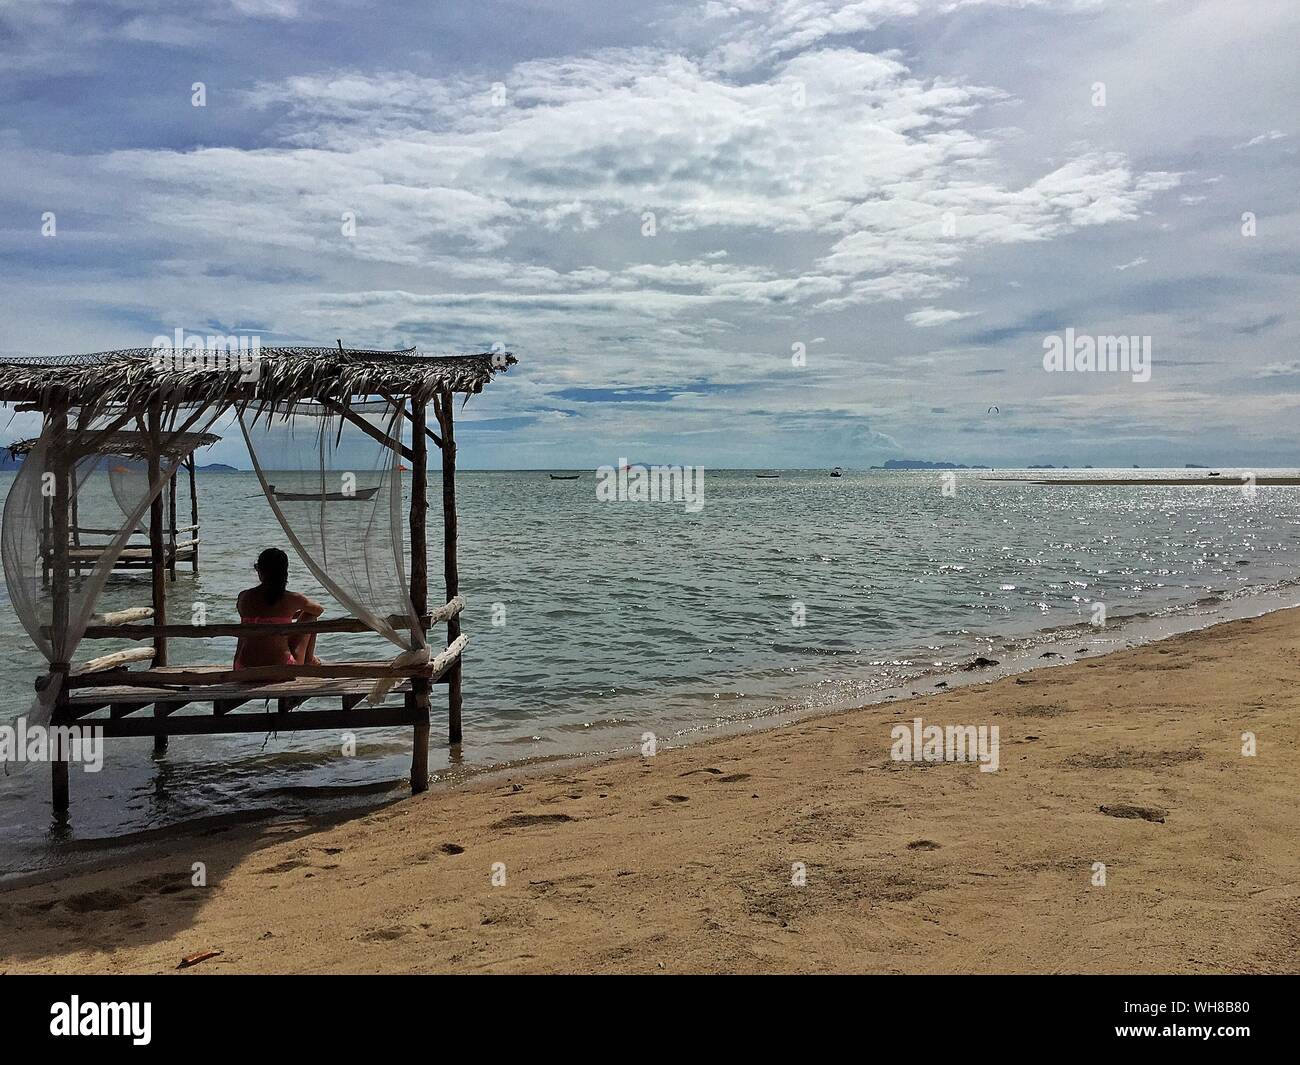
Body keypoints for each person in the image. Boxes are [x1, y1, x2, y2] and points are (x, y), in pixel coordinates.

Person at [234, 548, 324, 669]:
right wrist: (296, 612)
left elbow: (245, 634)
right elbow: (319, 610)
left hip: (244, 667)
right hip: (282, 669)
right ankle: (309, 660)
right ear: (284, 572)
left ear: (260, 570)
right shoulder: (292, 598)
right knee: (310, 615)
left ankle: (308, 660)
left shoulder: (244, 597)